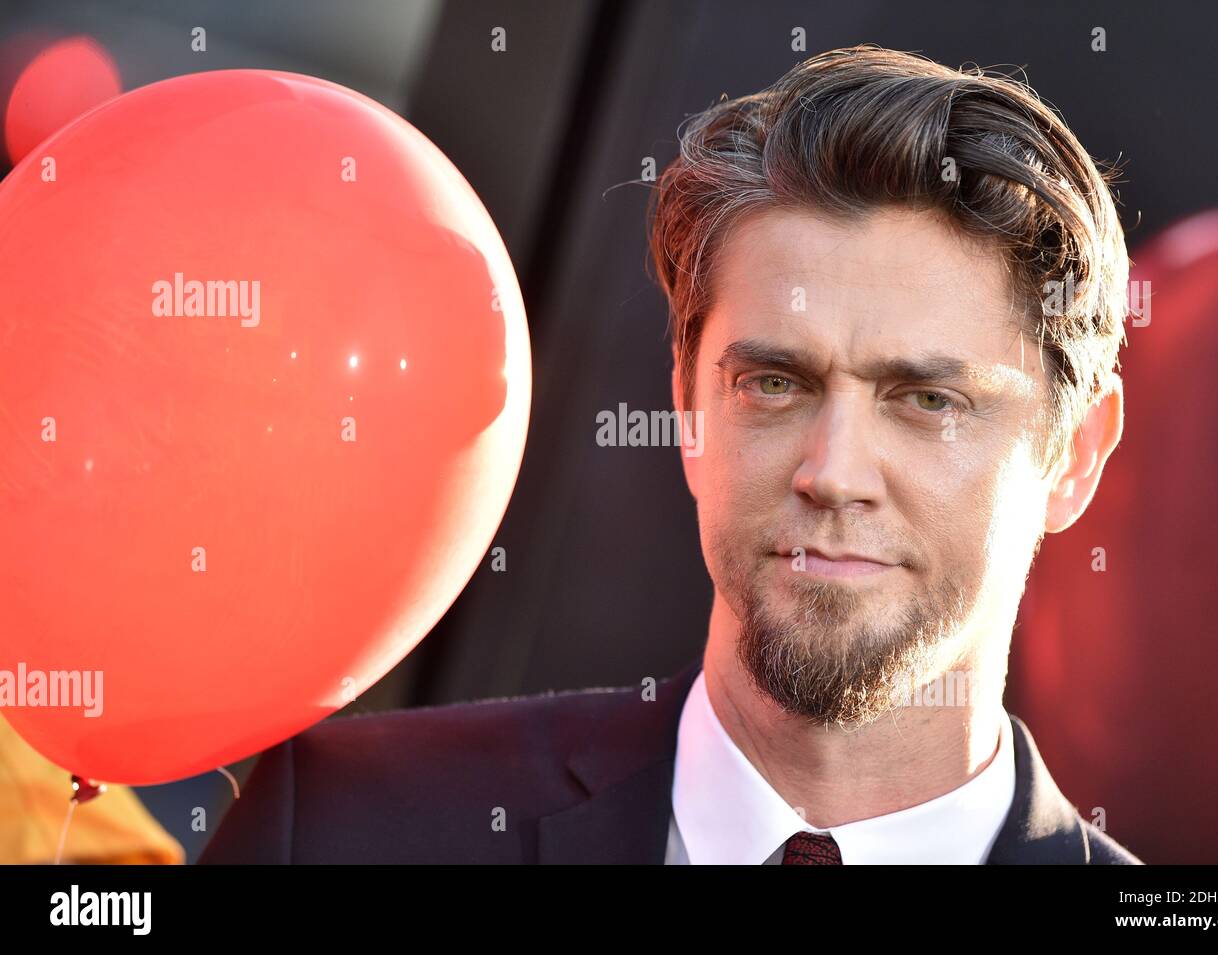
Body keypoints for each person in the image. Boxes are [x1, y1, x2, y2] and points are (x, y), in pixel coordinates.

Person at [200, 44, 1140, 865]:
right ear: (686, 407)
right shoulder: (343, 830)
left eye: (928, 399)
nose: (834, 472)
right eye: (776, 383)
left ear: (1075, 454)